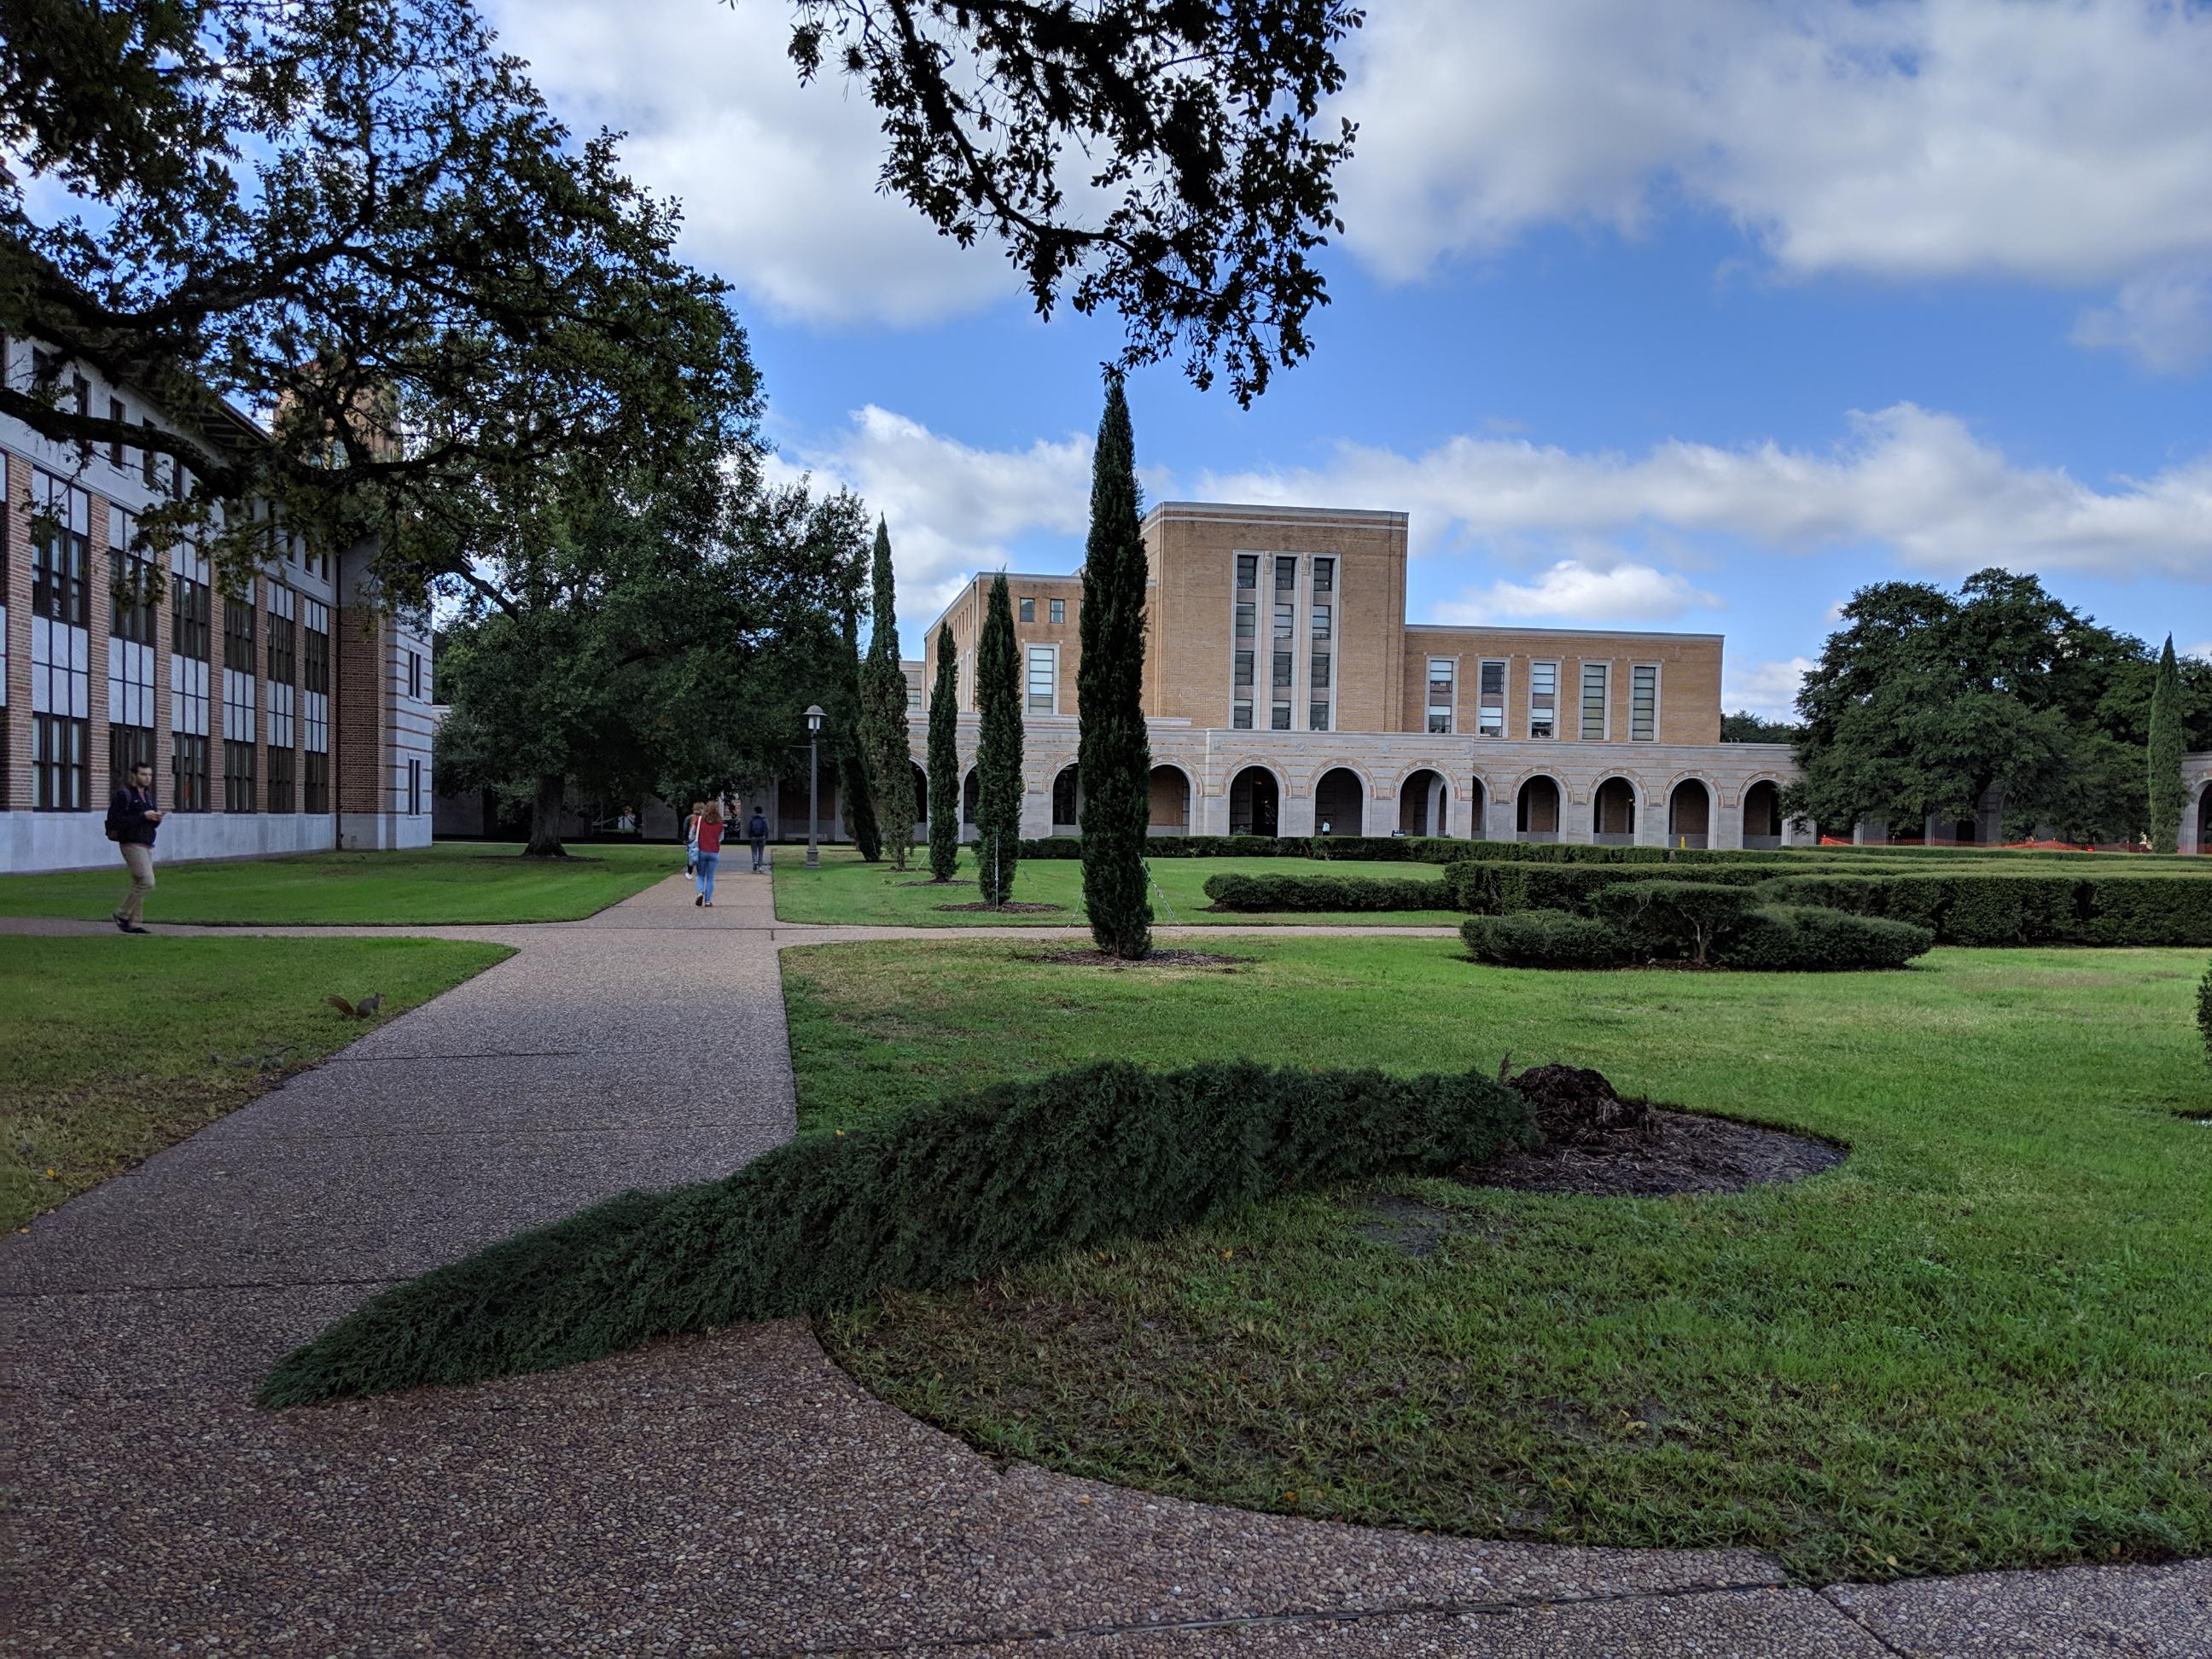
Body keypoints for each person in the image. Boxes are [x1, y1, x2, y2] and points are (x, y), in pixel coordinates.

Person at [106, 760, 166, 934]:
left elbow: (149, 823)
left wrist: (155, 819)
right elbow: (115, 821)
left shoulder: (148, 797)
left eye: (149, 775)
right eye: (143, 774)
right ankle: (122, 914)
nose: (147, 778)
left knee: (139, 882)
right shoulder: (123, 795)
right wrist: (143, 816)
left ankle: (134, 923)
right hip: (131, 843)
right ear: (134, 775)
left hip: (146, 842)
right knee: (147, 881)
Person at [693, 801, 725, 907]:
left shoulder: (700, 821)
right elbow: (721, 838)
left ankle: (700, 892)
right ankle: (707, 901)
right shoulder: (720, 822)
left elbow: (692, 834)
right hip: (714, 852)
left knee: (701, 875)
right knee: (710, 877)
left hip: (701, 851)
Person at [684, 800, 706, 876]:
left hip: (692, 840)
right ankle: (700, 872)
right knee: (700, 856)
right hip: (702, 840)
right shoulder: (705, 818)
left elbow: (685, 829)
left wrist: (686, 839)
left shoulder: (689, 818)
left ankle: (690, 872)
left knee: (692, 855)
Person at [748, 806, 770, 873]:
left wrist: (750, 836)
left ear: (755, 811)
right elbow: (767, 829)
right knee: (761, 852)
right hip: (762, 837)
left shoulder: (752, 819)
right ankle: (760, 867)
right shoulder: (764, 819)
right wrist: (766, 836)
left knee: (754, 851)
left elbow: (749, 828)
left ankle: (755, 862)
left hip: (754, 837)